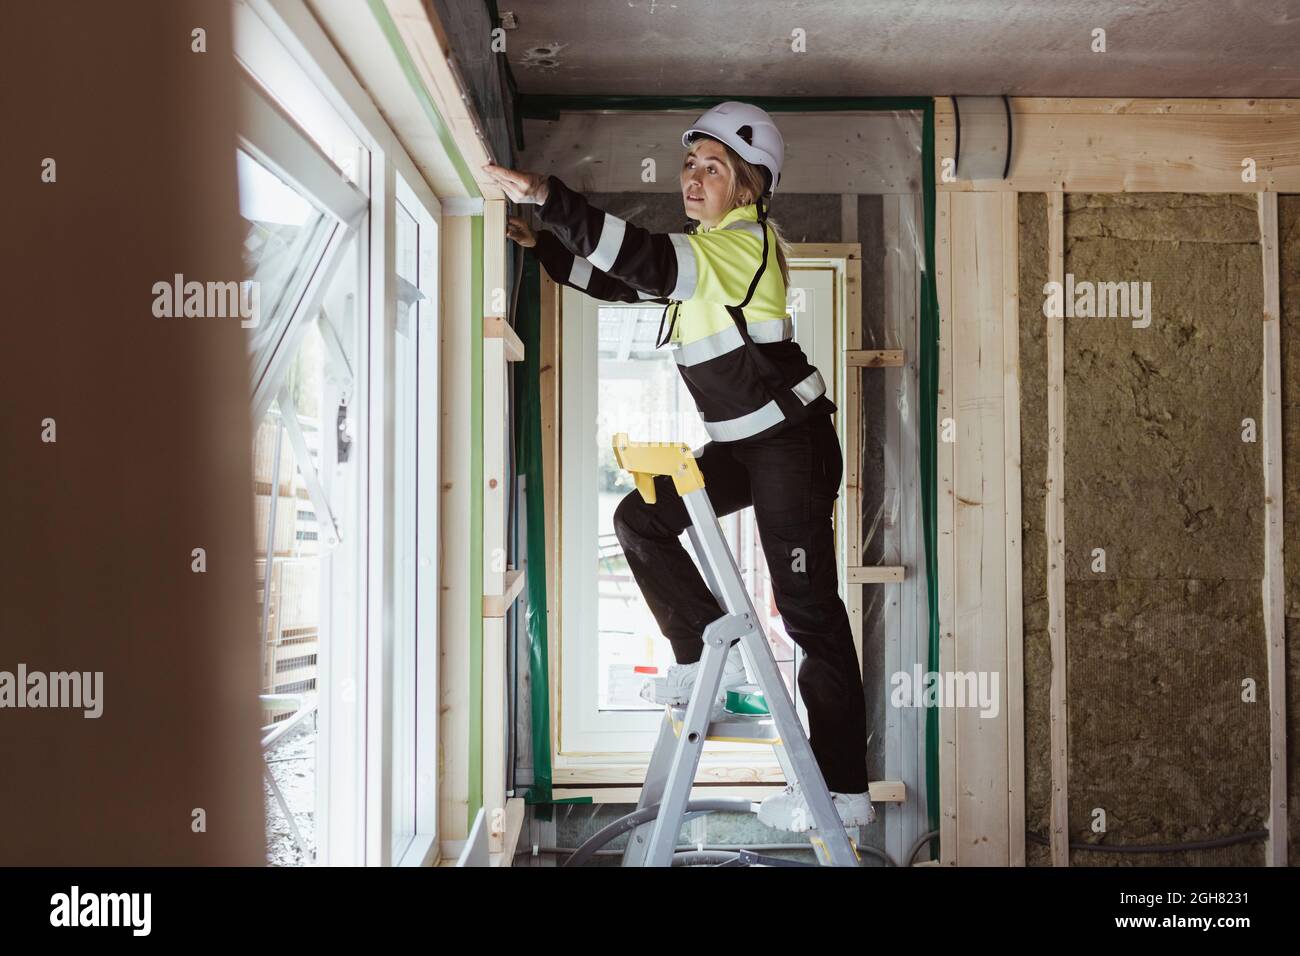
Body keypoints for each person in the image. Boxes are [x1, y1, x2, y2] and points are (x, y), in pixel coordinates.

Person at [483, 102, 872, 832]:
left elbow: (647, 261)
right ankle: (701, 655)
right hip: (746, 444)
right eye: (690, 164)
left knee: (810, 611)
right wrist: (544, 244)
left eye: (712, 167)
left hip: (791, 441)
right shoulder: (707, 253)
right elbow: (624, 283)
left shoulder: (739, 246)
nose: (692, 177)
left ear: (749, 185)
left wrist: (547, 197)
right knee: (639, 518)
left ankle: (844, 791)